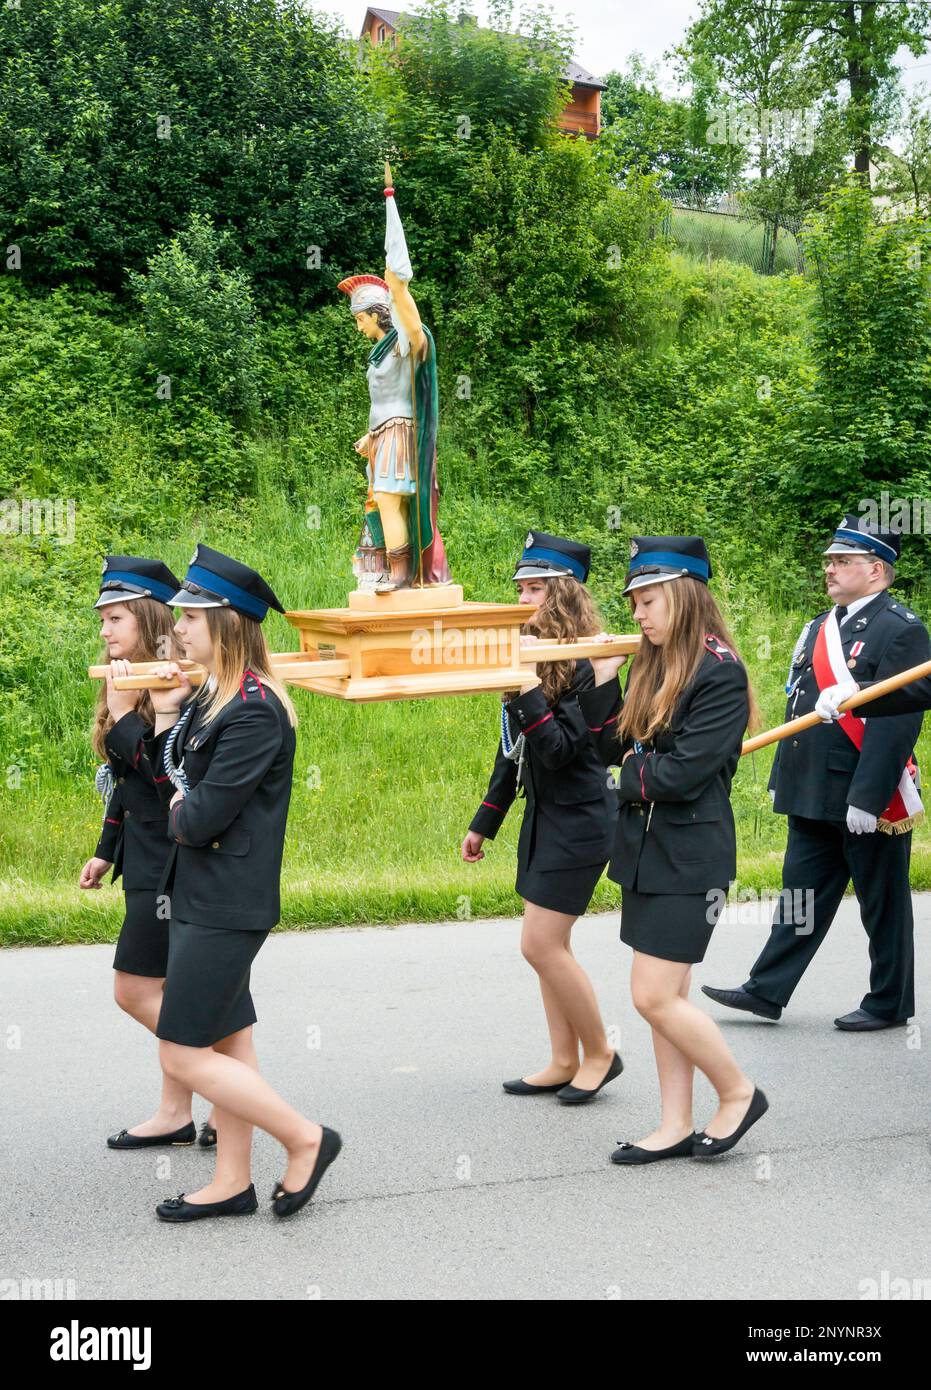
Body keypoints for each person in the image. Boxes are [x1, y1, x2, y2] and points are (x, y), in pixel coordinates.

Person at [143, 544, 341, 1221]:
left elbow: (198, 816)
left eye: (191, 618)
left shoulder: (253, 708)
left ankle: (306, 1138)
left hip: (226, 901)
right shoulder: (212, 696)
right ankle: (232, 1180)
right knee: (229, 1044)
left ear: (227, 622)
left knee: (182, 1051)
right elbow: (173, 784)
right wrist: (168, 714)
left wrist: (180, 811)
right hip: (202, 893)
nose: (178, 629)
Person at [579, 536, 767, 1164]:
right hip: (647, 852)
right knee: (669, 1000)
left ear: (682, 598)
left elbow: (681, 774)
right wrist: (606, 687)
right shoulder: (655, 663)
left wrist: (629, 775)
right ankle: (675, 1122)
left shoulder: (719, 670)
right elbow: (614, 747)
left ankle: (738, 1092)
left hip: (691, 858)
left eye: (647, 600)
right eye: (633, 600)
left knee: (652, 997)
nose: (636, 612)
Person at [703, 515, 929, 1032]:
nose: (829, 569)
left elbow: (899, 723)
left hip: (862, 791)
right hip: (813, 786)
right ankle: (767, 990)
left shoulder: (902, 629)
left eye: (842, 561)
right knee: (800, 895)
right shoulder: (819, 627)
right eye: (829, 560)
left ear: (876, 570)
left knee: (882, 902)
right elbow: (801, 707)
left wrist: (869, 797)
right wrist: (789, 776)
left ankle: (889, 1002)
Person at [462, 531, 621, 1104]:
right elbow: (515, 750)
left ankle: (601, 1053)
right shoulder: (531, 656)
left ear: (563, 594)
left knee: (541, 945)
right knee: (550, 947)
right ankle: (562, 1058)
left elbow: (559, 750)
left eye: (534, 589)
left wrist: (526, 688)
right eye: (520, 587)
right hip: (545, 816)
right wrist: (486, 819)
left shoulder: (582, 661)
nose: (523, 598)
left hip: (581, 818)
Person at [79, 555, 218, 1151]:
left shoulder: (179, 687)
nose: (105, 631)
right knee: (172, 985)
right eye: (103, 621)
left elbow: (170, 782)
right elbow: (127, 784)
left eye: (115, 619)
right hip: (142, 855)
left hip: (174, 856)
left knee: (135, 989)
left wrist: (120, 721)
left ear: (146, 617)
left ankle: (222, 1082)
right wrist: (106, 850)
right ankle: (175, 1110)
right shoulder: (128, 680)